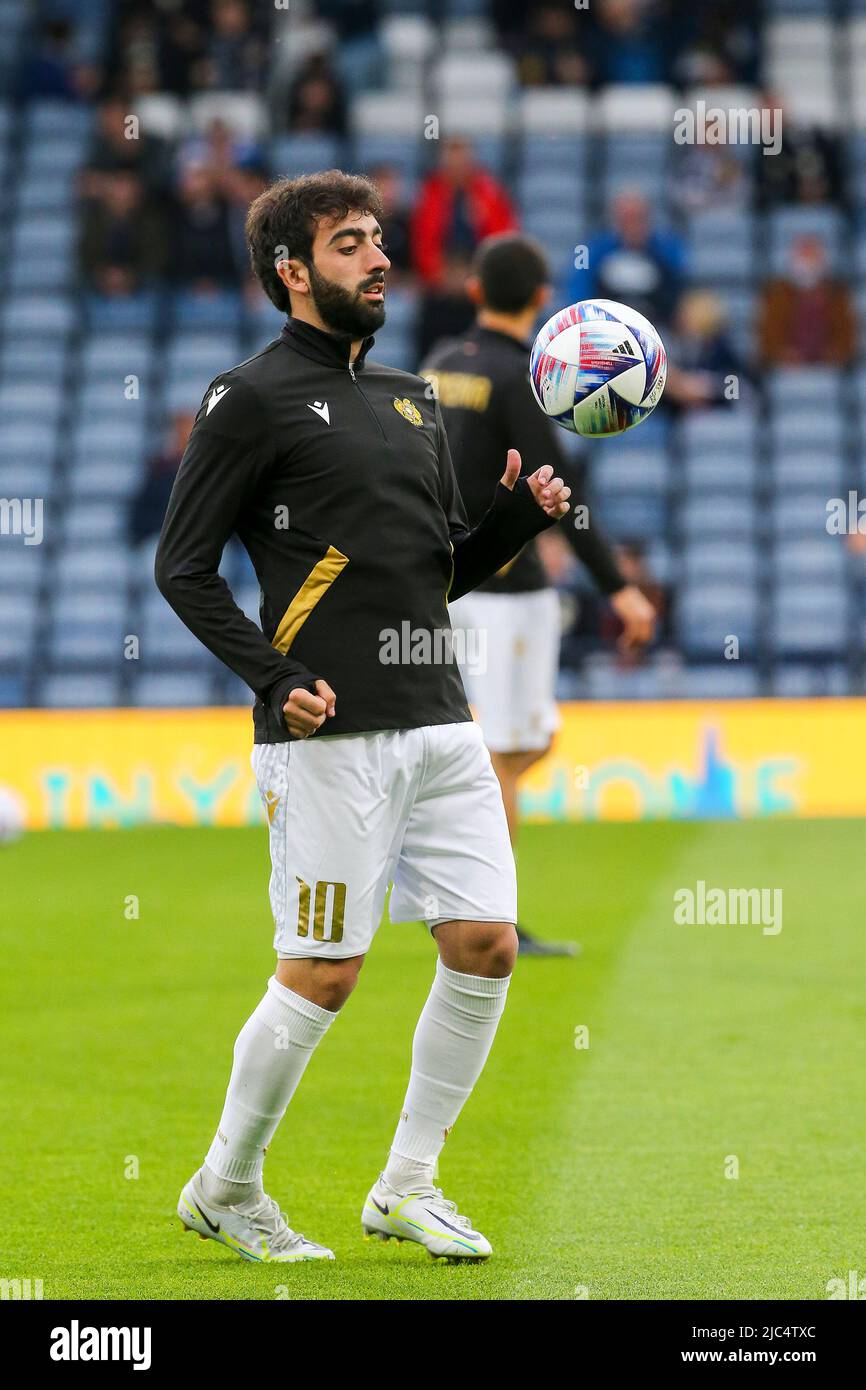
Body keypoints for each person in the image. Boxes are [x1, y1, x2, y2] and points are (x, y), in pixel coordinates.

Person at [155, 170, 572, 1263]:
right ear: (292, 271)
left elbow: (434, 573)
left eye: (380, 240)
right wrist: (268, 671)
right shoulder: (246, 399)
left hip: (440, 720)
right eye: (350, 245)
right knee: (324, 972)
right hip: (328, 735)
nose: (379, 259)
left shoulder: (410, 397)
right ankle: (225, 1185)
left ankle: (406, 1185)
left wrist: (512, 523)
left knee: (484, 945)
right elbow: (182, 567)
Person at [422, 234, 656, 957]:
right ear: (540, 298)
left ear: (473, 291)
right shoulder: (521, 379)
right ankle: (490, 914)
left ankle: (460, 869)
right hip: (508, 586)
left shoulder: (437, 367)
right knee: (501, 755)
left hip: (453, 580)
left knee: (520, 745)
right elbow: (560, 494)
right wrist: (620, 588)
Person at [565, 189, 686, 333]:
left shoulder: (666, 250)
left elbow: (680, 290)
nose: (632, 226)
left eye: (637, 218)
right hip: (606, 329)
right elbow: (579, 291)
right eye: (626, 219)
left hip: (658, 328)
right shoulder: (594, 250)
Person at [758, 234, 857, 368]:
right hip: (787, 367)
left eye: (812, 260)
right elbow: (767, 335)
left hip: (829, 367)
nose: (807, 266)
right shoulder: (777, 293)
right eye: (803, 259)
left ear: (822, 263)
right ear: (793, 262)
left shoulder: (837, 294)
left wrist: (833, 355)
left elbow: (847, 336)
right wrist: (783, 355)